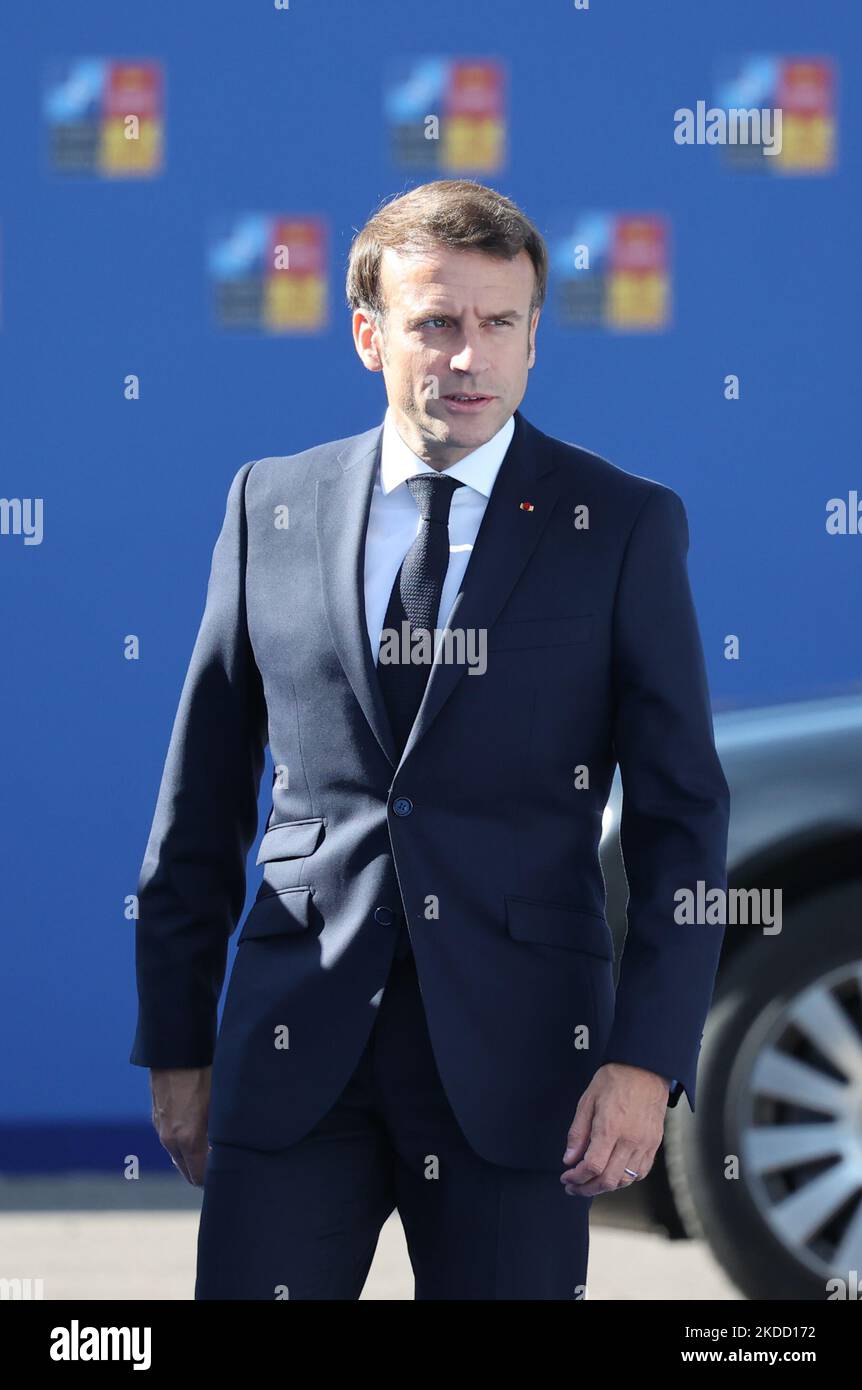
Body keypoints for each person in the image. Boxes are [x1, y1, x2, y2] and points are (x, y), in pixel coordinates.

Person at [130, 178, 730, 1300]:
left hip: (521, 1072)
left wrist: (646, 1059)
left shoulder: (619, 526)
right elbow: (200, 802)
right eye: (435, 323)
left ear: (534, 338)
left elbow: (681, 819)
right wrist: (176, 1042)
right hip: (292, 1053)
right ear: (367, 334)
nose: (468, 356)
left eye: (499, 324)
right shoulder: (271, 505)